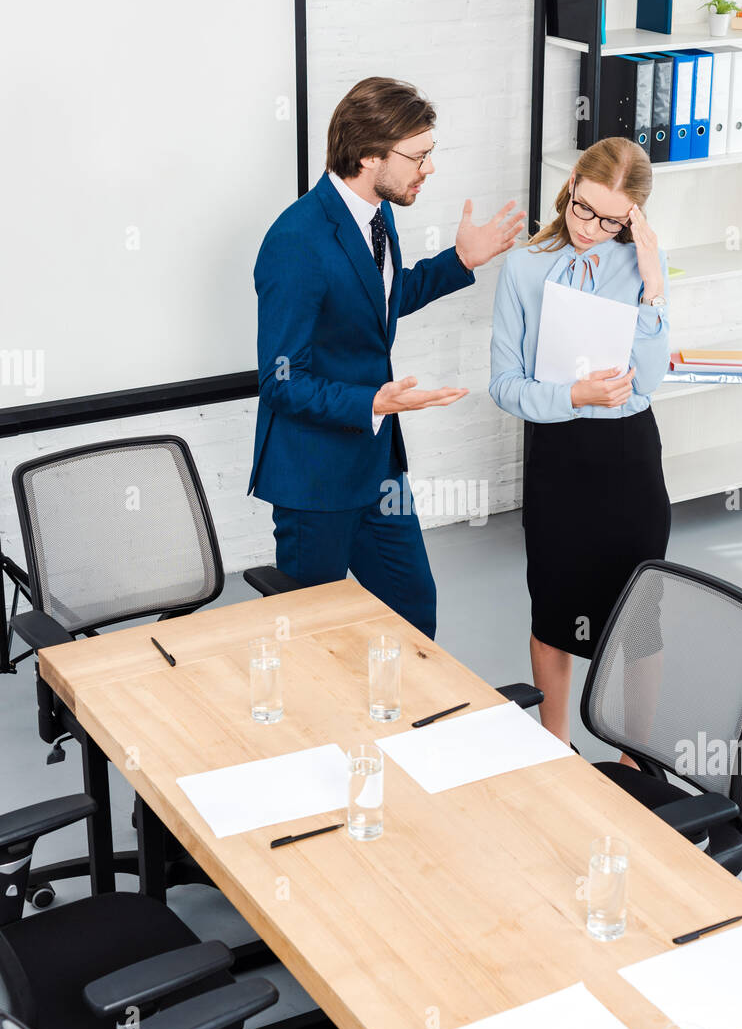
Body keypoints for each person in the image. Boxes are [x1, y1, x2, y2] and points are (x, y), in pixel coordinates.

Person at [249, 76, 525, 639]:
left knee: (413, 609)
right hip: (316, 480)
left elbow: (382, 301)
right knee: (316, 636)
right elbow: (281, 381)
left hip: (377, 467)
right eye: (418, 157)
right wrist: (372, 401)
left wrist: (459, 262)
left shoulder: (377, 213)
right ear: (369, 156)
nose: (429, 168)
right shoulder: (296, 241)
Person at [489, 136, 671, 750]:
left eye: (611, 220)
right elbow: (505, 386)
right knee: (554, 614)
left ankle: (634, 760)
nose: (591, 228)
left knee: (639, 623)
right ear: (570, 185)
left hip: (629, 460)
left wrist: (652, 286)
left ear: (633, 217)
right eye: (583, 208)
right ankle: (556, 748)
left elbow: (648, 381)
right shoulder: (524, 268)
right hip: (559, 459)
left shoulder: (642, 263)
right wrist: (573, 396)